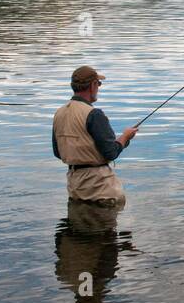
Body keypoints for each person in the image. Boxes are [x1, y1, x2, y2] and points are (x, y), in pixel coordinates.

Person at [52, 65, 138, 204]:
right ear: (92, 85)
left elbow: (58, 152)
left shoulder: (59, 113)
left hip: (75, 188)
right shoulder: (94, 114)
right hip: (101, 190)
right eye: (98, 84)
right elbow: (110, 153)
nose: (98, 87)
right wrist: (125, 137)